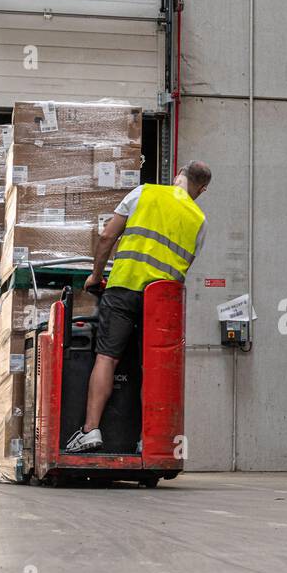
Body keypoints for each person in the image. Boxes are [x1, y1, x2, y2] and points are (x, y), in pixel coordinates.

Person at [64, 161, 210, 453]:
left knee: (107, 357)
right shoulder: (199, 221)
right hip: (162, 301)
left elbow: (107, 236)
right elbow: (184, 267)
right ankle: (149, 439)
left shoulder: (144, 193)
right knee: (153, 367)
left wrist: (95, 276)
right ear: (202, 189)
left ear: (177, 174)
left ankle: (90, 430)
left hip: (124, 288)